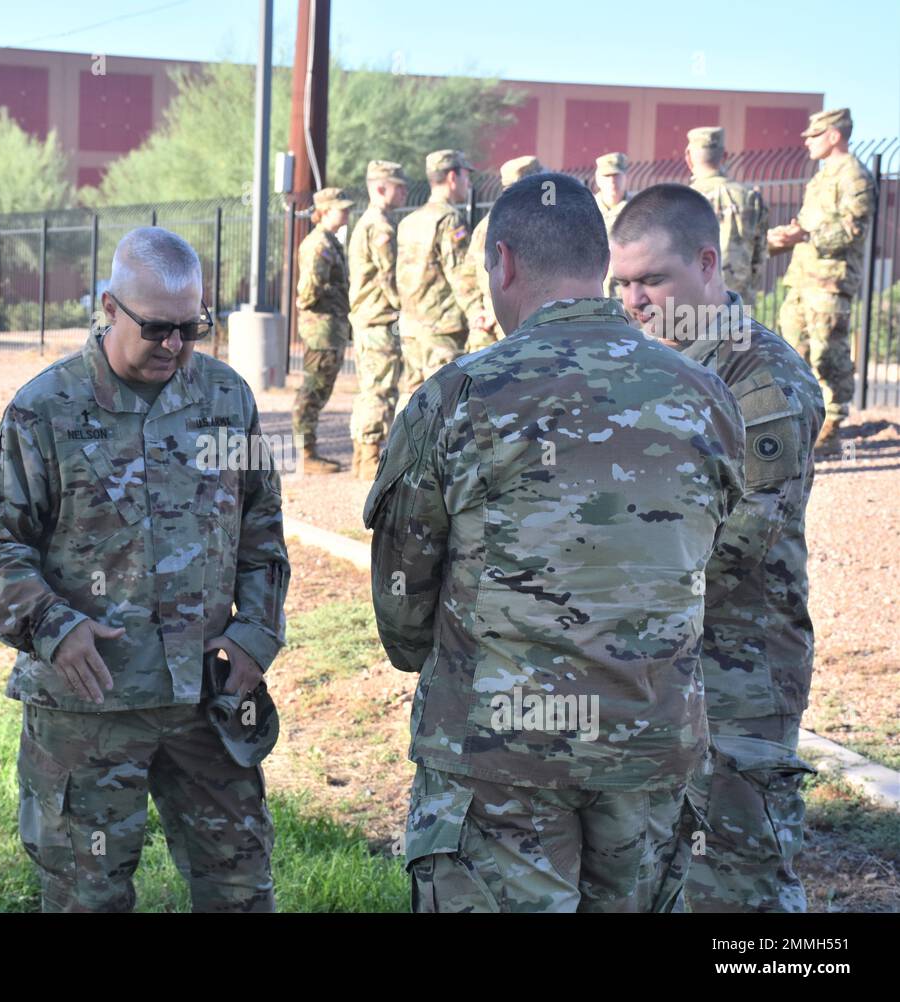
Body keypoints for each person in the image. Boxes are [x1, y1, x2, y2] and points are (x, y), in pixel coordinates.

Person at [364, 172, 746, 913]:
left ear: (502, 263)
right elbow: (712, 561)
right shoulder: (703, 396)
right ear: (601, 263)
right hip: (650, 746)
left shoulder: (456, 397)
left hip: (499, 759)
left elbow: (402, 603)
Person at [0, 227, 290, 912]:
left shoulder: (227, 401)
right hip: (90, 708)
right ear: (110, 308)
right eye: (157, 329)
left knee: (239, 886)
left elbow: (261, 530)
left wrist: (257, 633)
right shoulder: (44, 409)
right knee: (87, 896)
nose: (174, 346)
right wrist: (52, 624)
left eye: (190, 328)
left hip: (207, 699)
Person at [611, 183, 824, 913]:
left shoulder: (758, 377)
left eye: (652, 280)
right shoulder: (649, 363)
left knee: (741, 881)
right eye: (624, 284)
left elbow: (743, 537)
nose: (635, 300)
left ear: (707, 264)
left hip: (736, 670)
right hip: (654, 665)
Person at [767, 108, 877, 454]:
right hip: (802, 279)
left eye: (814, 135)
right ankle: (802, 419)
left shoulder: (854, 176)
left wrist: (806, 235)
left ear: (834, 135)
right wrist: (790, 236)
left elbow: (852, 229)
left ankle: (833, 424)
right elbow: (807, 226)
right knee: (793, 350)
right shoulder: (821, 178)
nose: (808, 142)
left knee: (829, 351)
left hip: (830, 283)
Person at [395, 149, 477, 400]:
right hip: (442, 328)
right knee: (444, 400)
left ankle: (399, 441)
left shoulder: (409, 221)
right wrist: (477, 313)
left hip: (411, 327)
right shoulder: (450, 219)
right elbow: (461, 274)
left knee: (411, 397)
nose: (468, 183)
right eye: (465, 176)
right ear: (452, 177)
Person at [348, 160, 408, 481]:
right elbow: (389, 277)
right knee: (379, 389)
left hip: (367, 317)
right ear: (381, 187)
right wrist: (405, 308)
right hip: (379, 317)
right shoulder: (380, 226)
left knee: (370, 387)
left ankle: (363, 455)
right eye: (399, 186)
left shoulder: (367, 222)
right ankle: (369, 456)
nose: (404, 192)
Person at [294, 187, 354, 474]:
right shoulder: (318, 244)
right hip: (321, 326)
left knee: (321, 387)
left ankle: (307, 448)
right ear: (325, 210)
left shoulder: (330, 241)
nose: (346, 212)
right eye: (341, 207)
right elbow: (308, 290)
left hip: (330, 325)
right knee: (313, 389)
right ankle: (304, 452)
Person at [467, 154, 545, 347]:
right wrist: (480, 312)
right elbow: (469, 274)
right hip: (501, 329)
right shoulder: (490, 227)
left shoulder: (541, 222)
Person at [686, 126, 769, 305]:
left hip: (693, 302)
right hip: (739, 299)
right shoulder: (750, 197)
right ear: (724, 156)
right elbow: (760, 255)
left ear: (688, 157)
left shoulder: (681, 199)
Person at [594, 152, 630, 295]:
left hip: (626, 291)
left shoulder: (639, 209)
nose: (612, 181)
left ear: (625, 177)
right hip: (595, 291)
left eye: (616, 176)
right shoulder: (587, 208)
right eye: (606, 176)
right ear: (597, 179)